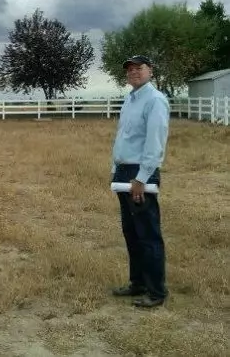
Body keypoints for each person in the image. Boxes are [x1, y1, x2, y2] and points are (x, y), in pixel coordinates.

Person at [110, 55, 170, 308]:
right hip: (124, 172)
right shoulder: (130, 99)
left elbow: (155, 143)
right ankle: (138, 283)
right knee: (131, 233)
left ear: (150, 71)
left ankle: (156, 291)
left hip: (139, 174)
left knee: (147, 234)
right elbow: (125, 136)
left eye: (139, 68)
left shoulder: (155, 100)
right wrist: (116, 168)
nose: (134, 72)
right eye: (130, 69)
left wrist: (141, 178)